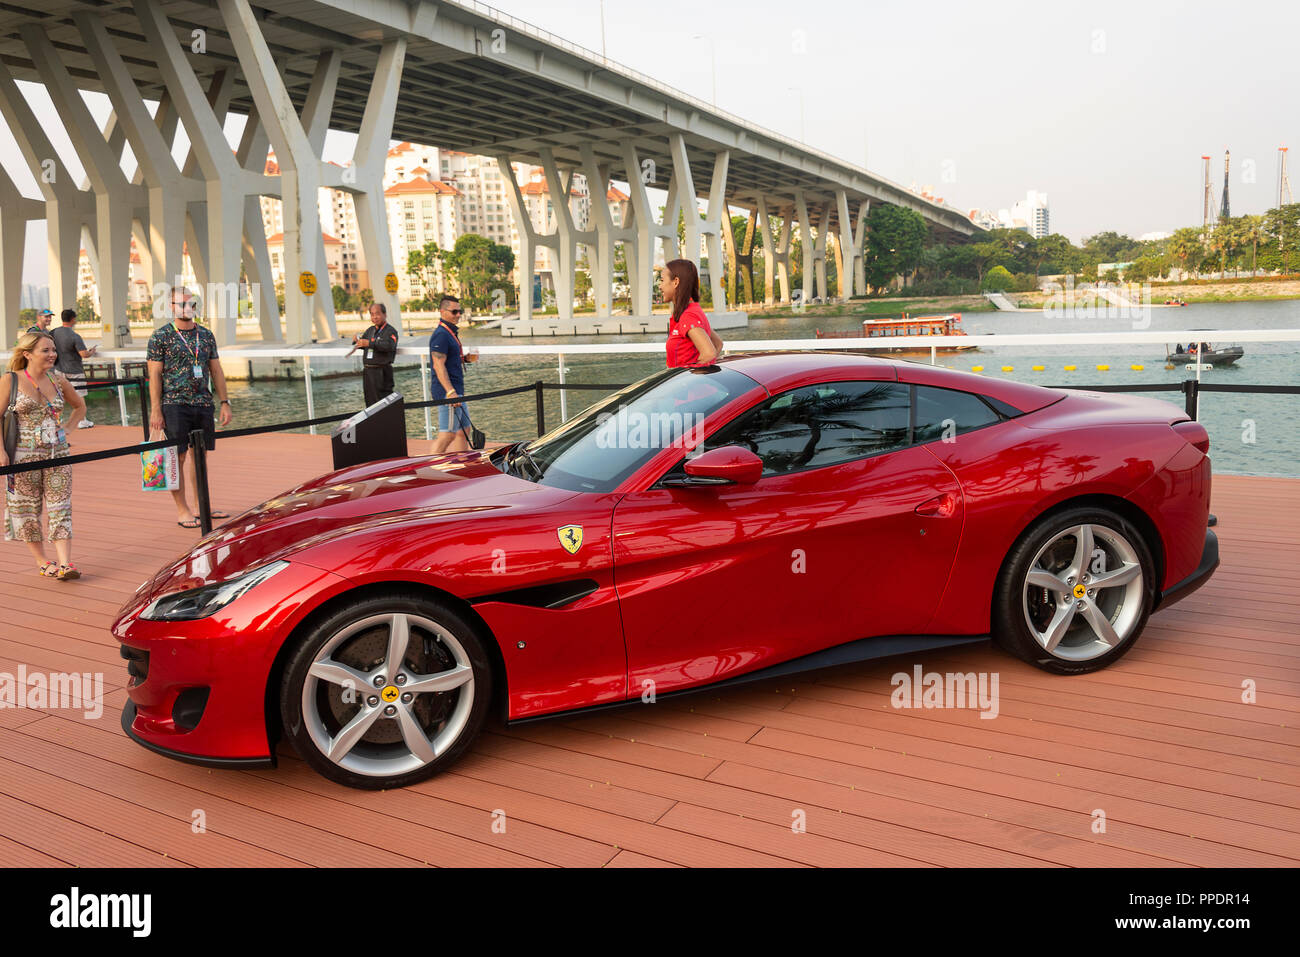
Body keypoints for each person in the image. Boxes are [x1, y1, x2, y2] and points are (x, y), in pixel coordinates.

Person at [1, 331, 86, 580]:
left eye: (53, 349)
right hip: (21, 455)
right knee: (26, 509)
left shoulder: (58, 380)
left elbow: (80, 406)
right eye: (45, 350)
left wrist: (68, 428)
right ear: (27, 354)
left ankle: (65, 563)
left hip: (57, 453)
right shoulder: (11, 380)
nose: (52, 354)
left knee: (60, 506)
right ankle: (42, 561)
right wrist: (2, 452)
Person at [146, 287, 233, 529]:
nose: (187, 308)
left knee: (200, 457)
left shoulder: (205, 335)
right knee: (178, 457)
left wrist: (224, 402)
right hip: (173, 404)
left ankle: (200, 506)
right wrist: (156, 410)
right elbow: (154, 375)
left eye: (191, 303)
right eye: (181, 303)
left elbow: (215, 370)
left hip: (203, 403)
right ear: (171, 306)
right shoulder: (160, 336)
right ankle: (182, 510)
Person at [429, 295, 478, 453]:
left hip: (456, 391)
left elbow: (449, 359)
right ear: (443, 312)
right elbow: (438, 365)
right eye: (454, 311)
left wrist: (465, 359)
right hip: (448, 392)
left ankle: (462, 464)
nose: (458, 315)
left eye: (460, 311)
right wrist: (450, 392)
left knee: (463, 431)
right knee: (447, 434)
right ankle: (428, 469)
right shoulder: (441, 335)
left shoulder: (450, 333)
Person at [660, 259, 723, 368]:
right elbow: (718, 344)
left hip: (683, 384)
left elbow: (709, 353)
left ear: (675, 282)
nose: (660, 286)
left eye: (662, 280)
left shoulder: (688, 316)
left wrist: (688, 378)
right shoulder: (692, 310)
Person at [51, 308, 97, 428]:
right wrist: (91, 352)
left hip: (59, 369)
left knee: (60, 396)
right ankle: (82, 420)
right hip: (75, 370)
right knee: (79, 395)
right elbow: (83, 354)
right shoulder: (74, 335)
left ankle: (55, 420)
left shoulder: (54, 333)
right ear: (73, 319)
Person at [354, 302, 399, 406]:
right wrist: (358, 341)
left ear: (385, 314)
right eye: (372, 314)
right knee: (370, 404)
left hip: (382, 372)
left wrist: (370, 343)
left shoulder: (391, 331)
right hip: (368, 372)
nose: (375, 317)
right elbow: (363, 343)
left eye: (377, 314)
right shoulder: (370, 330)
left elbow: (389, 346)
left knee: (383, 404)